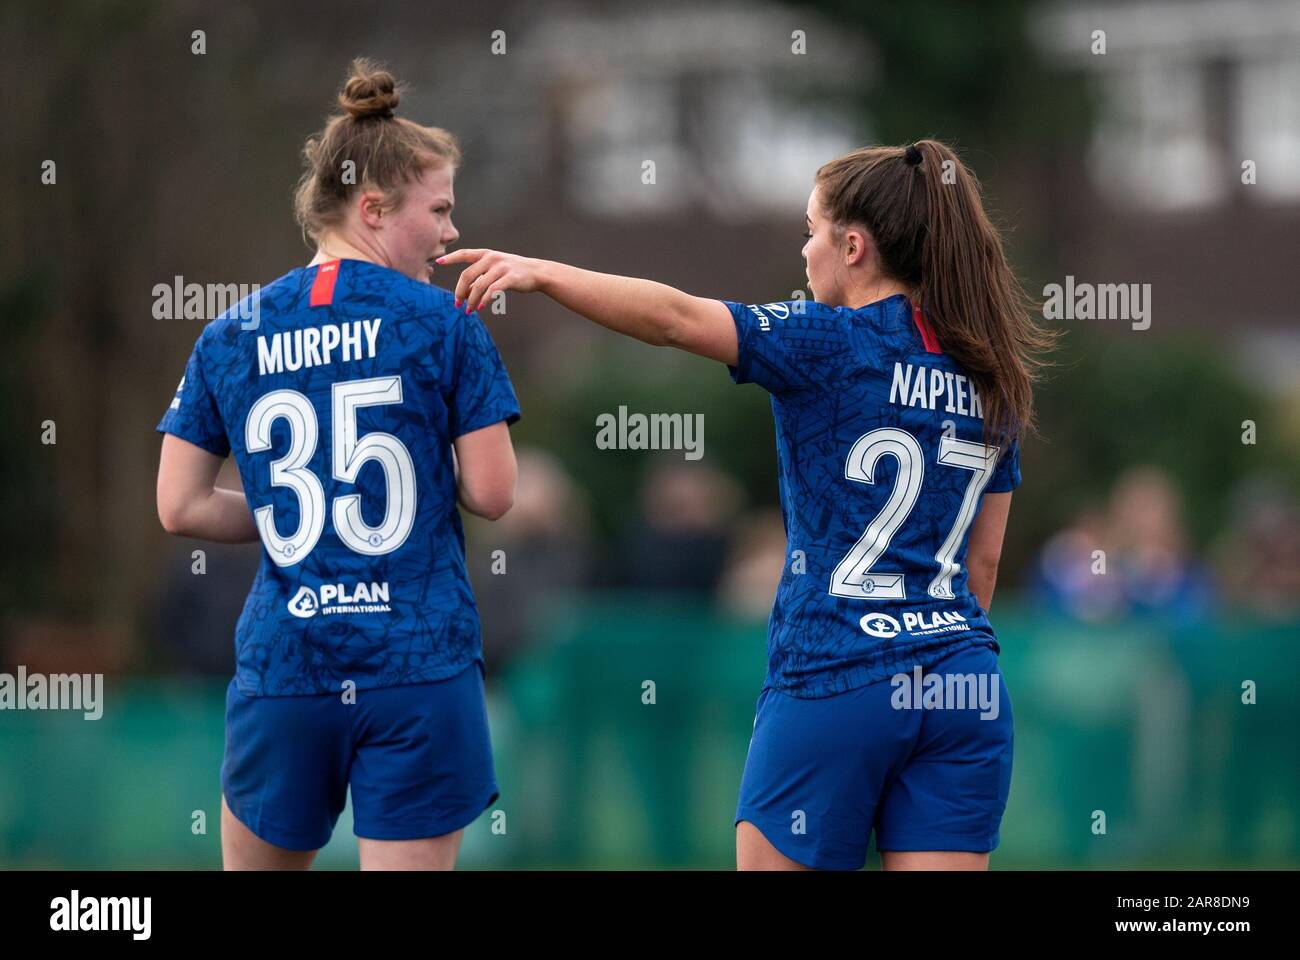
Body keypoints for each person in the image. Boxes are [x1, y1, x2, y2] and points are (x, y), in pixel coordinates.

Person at [438, 139, 1055, 870]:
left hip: (838, 670)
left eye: (810, 231)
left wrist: (543, 273)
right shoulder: (991, 375)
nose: (805, 252)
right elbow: (981, 567)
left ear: (853, 246)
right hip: (963, 685)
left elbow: (672, 318)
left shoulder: (828, 341)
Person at [155, 59, 520, 870]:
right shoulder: (446, 321)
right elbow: (494, 494)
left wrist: (296, 509)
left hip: (288, 664)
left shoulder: (231, 332)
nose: (452, 233)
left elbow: (178, 506)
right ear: (374, 206)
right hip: (416, 664)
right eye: (441, 210)